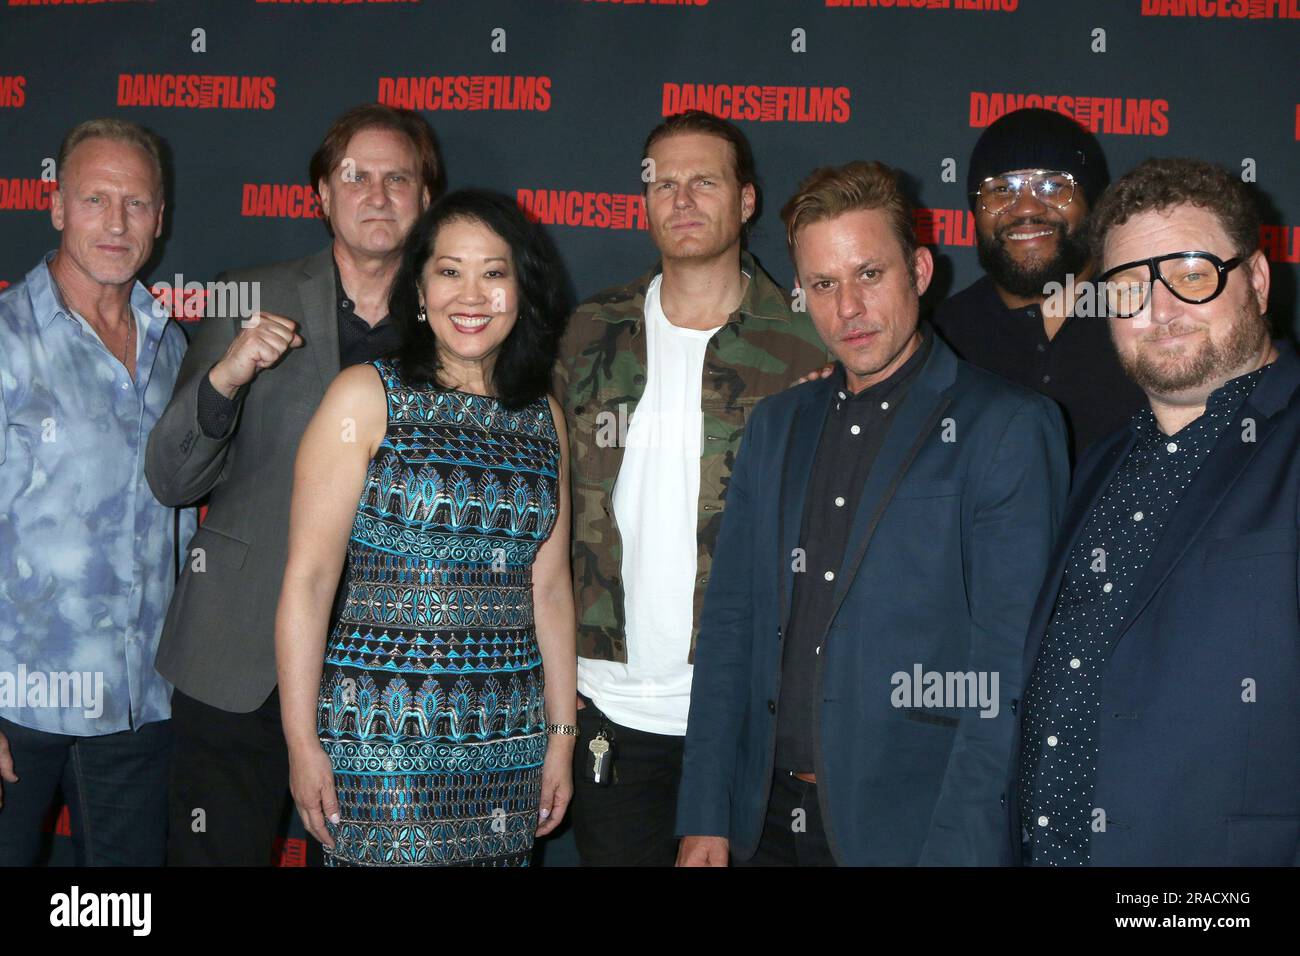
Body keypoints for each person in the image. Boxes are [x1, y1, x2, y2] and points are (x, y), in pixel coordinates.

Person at [676, 161, 1069, 866]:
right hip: (759, 820)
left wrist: (960, 848)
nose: (848, 308)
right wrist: (706, 812)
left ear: (918, 271)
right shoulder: (777, 425)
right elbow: (731, 625)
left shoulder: (1006, 427)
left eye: (869, 274)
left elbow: (1008, 674)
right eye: (823, 284)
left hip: (909, 830)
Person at [144, 103, 442, 865]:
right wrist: (227, 375)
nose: (377, 195)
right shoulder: (246, 297)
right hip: (237, 658)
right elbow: (172, 478)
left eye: (397, 178)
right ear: (320, 195)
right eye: (356, 177)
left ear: (426, 198)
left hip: (389, 677)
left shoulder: (455, 319)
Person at [555, 110, 829, 866]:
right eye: (662, 182)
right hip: (611, 706)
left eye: (703, 181)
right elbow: (537, 512)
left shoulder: (809, 340)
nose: (680, 198)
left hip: (750, 713)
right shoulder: (587, 334)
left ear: (745, 201)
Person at [276, 189, 576, 866]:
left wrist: (560, 735)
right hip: (382, 736)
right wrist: (302, 742)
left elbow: (550, 590)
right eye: (449, 270)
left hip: (508, 739)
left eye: (494, 273)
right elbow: (309, 580)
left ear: (522, 290)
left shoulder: (543, 419)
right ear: (419, 287)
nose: (471, 294)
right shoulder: (365, 396)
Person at [1015, 159, 1300, 866]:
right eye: (1130, 286)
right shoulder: (1098, 465)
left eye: (1193, 273)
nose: (1160, 309)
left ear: (1257, 281)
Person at [0, 119, 194, 865]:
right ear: (56, 207)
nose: (116, 222)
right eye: (95, 199)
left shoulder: (171, 344)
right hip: (19, 704)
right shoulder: (8, 338)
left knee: (121, 913)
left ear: (160, 218)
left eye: (137, 203)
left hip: (137, 706)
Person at [932, 108, 1145, 463]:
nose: (1026, 208)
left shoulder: (1151, 319)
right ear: (975, 211)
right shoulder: (939, 342)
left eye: (1053, 186)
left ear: (1093, 203)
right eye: (1001, 189)